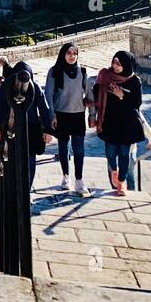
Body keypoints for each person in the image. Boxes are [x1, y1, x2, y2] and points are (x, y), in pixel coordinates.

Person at [0, 58, 54, 190]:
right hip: (12, 126)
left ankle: (26, 190)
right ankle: (16, 189)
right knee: (12, 160)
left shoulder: (34, 88)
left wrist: (48, 129)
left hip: (30, 128)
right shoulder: (7, 87)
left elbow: (43, 107)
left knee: (29, 160)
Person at [92, 50, 143, 196]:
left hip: (127, 123)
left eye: (118, 64)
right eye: (113, 62)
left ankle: (121, 182)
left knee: (124, 153)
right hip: (109, 121)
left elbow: (137, 103)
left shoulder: (134, 81)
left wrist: (122, 96)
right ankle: (114, 171)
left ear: (126, 65)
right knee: (110, 152)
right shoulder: (106, 76)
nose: (115, 66)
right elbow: (96, 93)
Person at [45, 42, 92, 195]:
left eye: (74, 53)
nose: (72, 56)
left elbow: (89, 94)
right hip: (61, 115)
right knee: (63, 148)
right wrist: (51, 115)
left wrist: (92, 114)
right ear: (63, 54)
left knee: (79, 150)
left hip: (78, 115)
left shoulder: (83, 71)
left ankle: (79, 180)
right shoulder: (54, 71)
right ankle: (66, 177)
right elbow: (48, 95)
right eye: (69, 53)